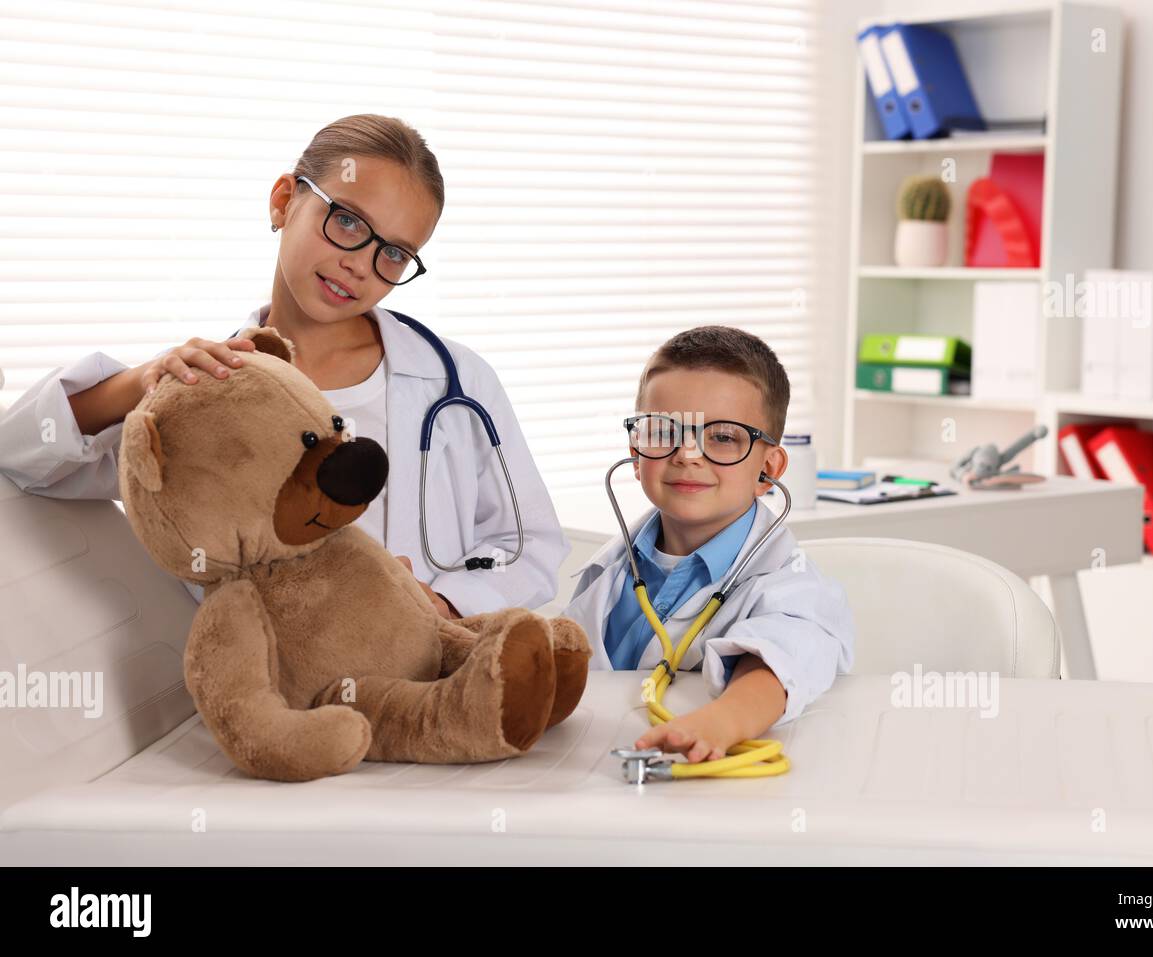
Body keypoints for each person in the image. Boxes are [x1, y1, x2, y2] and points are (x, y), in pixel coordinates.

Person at [0, 114, 568, 615]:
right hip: (258, 701)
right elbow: (24, 457)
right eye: (347, 220)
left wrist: (443, 603)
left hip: (414, 684)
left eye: (393, 253)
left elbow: (531, 544)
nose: (360, 266)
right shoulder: (206, 390)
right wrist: (139, 381)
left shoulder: (455, 381)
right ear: (283, 200)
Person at [562, 326, 854, 763]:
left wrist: (723, 721)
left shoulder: (788, 585)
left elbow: (780, 660)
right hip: (592, 770)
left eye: (722, 437)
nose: (688, 454)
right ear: (636, 451)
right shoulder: (614, 570)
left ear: (768, 469)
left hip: (701, 787)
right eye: (663, 431)